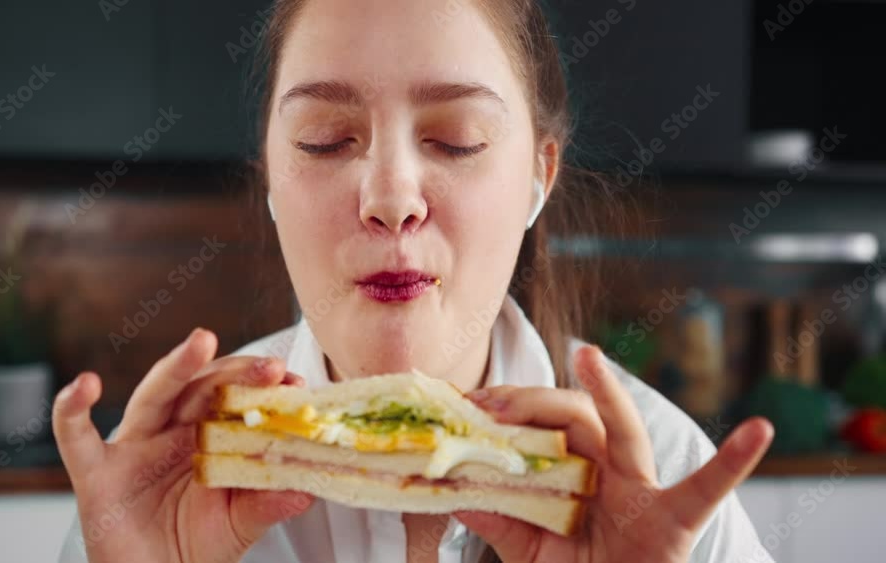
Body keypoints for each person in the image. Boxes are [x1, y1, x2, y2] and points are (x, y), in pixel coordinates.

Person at [53, 0, 777, 561]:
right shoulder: (163, 485)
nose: (391, 198)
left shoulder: (665, 481)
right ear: (271, 179)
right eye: (324, 141)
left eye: (457, 140)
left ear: (538, 178)